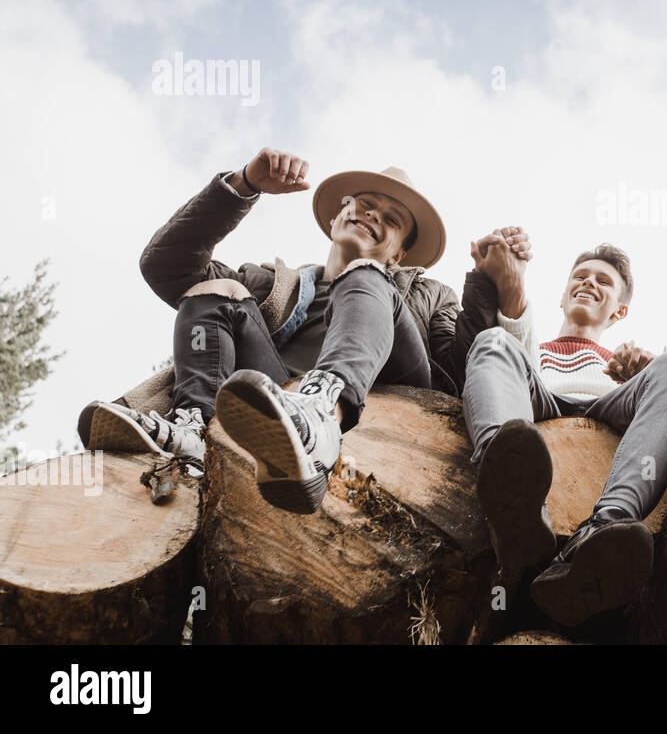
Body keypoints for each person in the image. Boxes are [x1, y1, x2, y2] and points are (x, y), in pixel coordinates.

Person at [78, 147, 525, 515]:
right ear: (337, 217)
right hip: (273, 413)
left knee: (365, 274)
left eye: (392, 220)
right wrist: (243, 185)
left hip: (387, 404)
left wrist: (491, 284)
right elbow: (166, 266)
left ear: (399, 256)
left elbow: (461, 376)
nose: (373, 215)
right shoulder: (270, 287)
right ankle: (194, 428)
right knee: (218, 290)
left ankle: (324, 411)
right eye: (364, 204)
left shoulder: (428, 296)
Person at [459, 241, 667, 626]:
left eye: (603, 281)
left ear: (620, 310)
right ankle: (508, 498)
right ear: (561, 297)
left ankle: (604, 529)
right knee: (493, 341)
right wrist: (507, 275)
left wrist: (642, 376)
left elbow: (664, 416)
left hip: (609, 405)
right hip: (541, 399)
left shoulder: (625, 364)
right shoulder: (531, 348)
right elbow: (507, 350)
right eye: (581, 276)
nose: (589, 283)